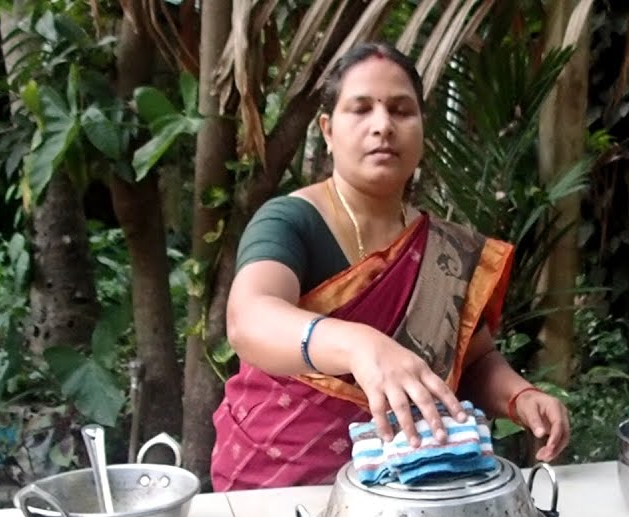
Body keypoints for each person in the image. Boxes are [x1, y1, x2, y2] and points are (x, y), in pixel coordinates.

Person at [211, 42, 571, 493]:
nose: (382, 126)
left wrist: (521, 397)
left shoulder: (446, 249)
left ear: (422, 127)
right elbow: (249, 319)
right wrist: (360, 345)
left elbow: (475, 359)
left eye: (401, 110)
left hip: (411, 490)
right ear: (327, 129)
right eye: (360, 109)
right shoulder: (291, 220)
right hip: (283, 486)